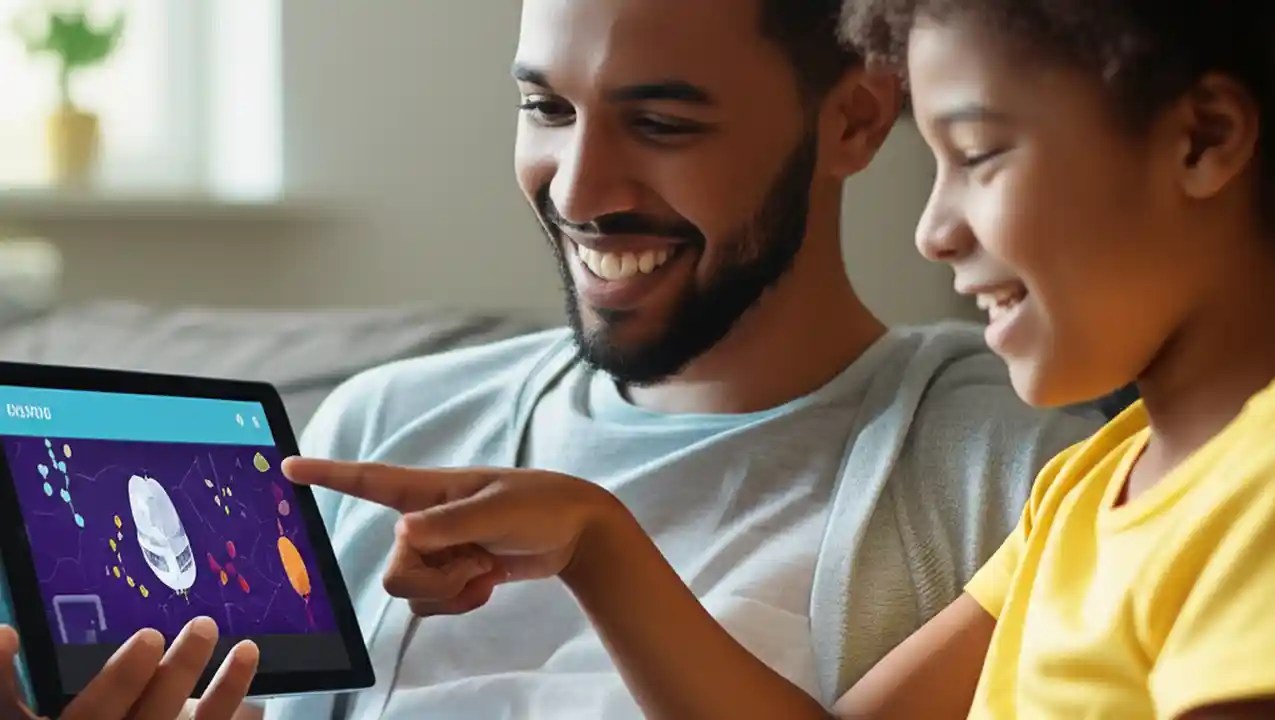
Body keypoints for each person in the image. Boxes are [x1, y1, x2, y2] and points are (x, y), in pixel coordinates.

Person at [1, 0, 1100, 718]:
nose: (578, 189)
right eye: (546, 108)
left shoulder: (1009, 465)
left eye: (661, 124)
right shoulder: (384, 423)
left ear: (853, 124)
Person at [285, 1, 1275, 718]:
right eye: (546, 109)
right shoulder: (1085, 490)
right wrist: (598, 544)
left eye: (976, 157)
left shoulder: (1197, 487)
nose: (931, 231)